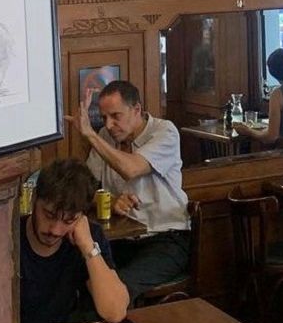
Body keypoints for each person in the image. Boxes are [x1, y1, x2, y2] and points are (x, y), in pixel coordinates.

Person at [68, 80, 191, 302]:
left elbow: (131, 168)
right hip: (122, 240)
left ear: (137, 110)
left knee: (113, 290)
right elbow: (85, 189)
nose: (109, 124)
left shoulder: (165, 131)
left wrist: (90, 135)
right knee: (77, 277)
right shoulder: (107, 137)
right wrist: (109, 200)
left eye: (116, 116)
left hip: (166, 239)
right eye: (104, 118)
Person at [20, 159, 129, 323]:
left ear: (81, 217)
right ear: (34, 199)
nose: (55, 230)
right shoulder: (9, 238)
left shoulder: (88, 238)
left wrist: (88, 247)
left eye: (68, 220)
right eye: (49, 215)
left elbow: (115, 312)